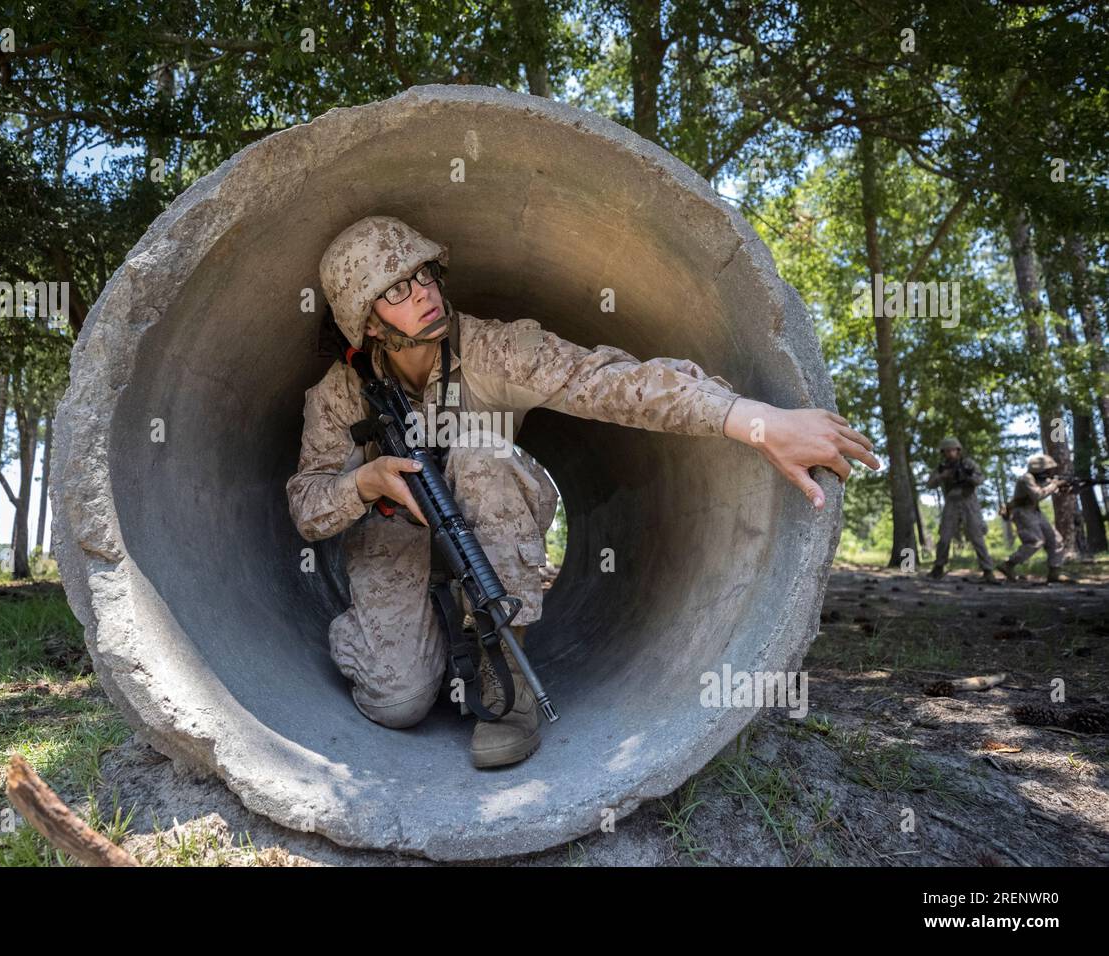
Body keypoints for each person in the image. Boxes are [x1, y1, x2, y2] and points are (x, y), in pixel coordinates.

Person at [286, 215, 879, 769]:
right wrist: (367, 482)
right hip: (397, 540)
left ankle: (505, 675)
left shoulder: (494, 349)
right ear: (367, 321)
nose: (422, 293)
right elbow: (307, 508)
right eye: (396, 290)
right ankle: (412, 632)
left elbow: (605, 381)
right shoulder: (337, 396)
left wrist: (754, 421)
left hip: (486, 517)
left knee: (481, 450)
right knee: (399, 703)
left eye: (423, 276)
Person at [925, 437, 998, 583]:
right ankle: (938, 568)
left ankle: (988, 571)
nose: (950, 453)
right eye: (946, 451)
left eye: (952, 450)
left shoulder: (968, 464)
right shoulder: (942, 467)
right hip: (951, 501)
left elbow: (980, 479)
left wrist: (967, 476)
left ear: (958, 450)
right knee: (944, 537)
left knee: (977, 536)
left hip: (968, 500)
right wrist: (942, 476)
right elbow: (930, 484)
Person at [998, 453, 1067, 584]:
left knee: (1055, 539)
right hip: (1022, 512)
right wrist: (1055, 485)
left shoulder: (1041, 479)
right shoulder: (1026, 479)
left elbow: (1051, 488)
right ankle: (1008, 564)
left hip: (1034, 511)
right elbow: (1038, 495)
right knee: (1035, 541)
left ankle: (1055, 572)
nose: (1050, 472)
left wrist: (1063, 487)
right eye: (1048, 470)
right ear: (1040, 470)